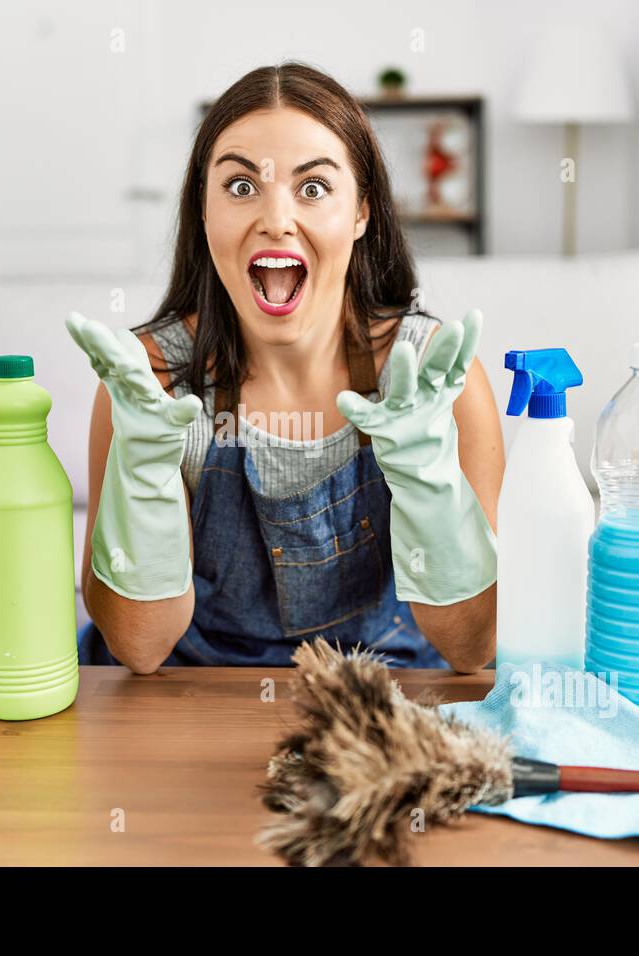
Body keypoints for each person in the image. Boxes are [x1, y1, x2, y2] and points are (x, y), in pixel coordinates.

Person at [68, 62, 503, 673]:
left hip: (389, 700)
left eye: (314, 187)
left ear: (361, 213)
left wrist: (429, 484)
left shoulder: (436, 379)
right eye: (241, 187)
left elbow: (471, 649)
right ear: (204, 212)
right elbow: (138, 650)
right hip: (190, 702)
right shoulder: (151, 381)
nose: (275, 218)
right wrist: (142, 475)